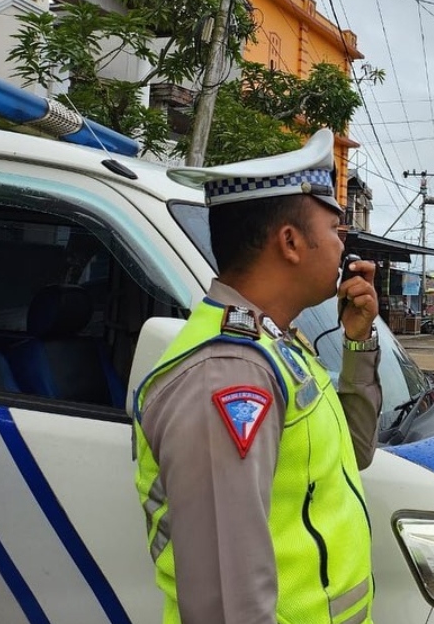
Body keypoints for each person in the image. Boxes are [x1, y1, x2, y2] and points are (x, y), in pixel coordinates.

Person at [132, 129, 382, 624]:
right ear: (290, 242)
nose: (344, 247)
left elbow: (351, 453)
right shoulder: (225, 378)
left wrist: (357, 342)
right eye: (336, 230)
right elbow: (229, 607)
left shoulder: (276, 344)